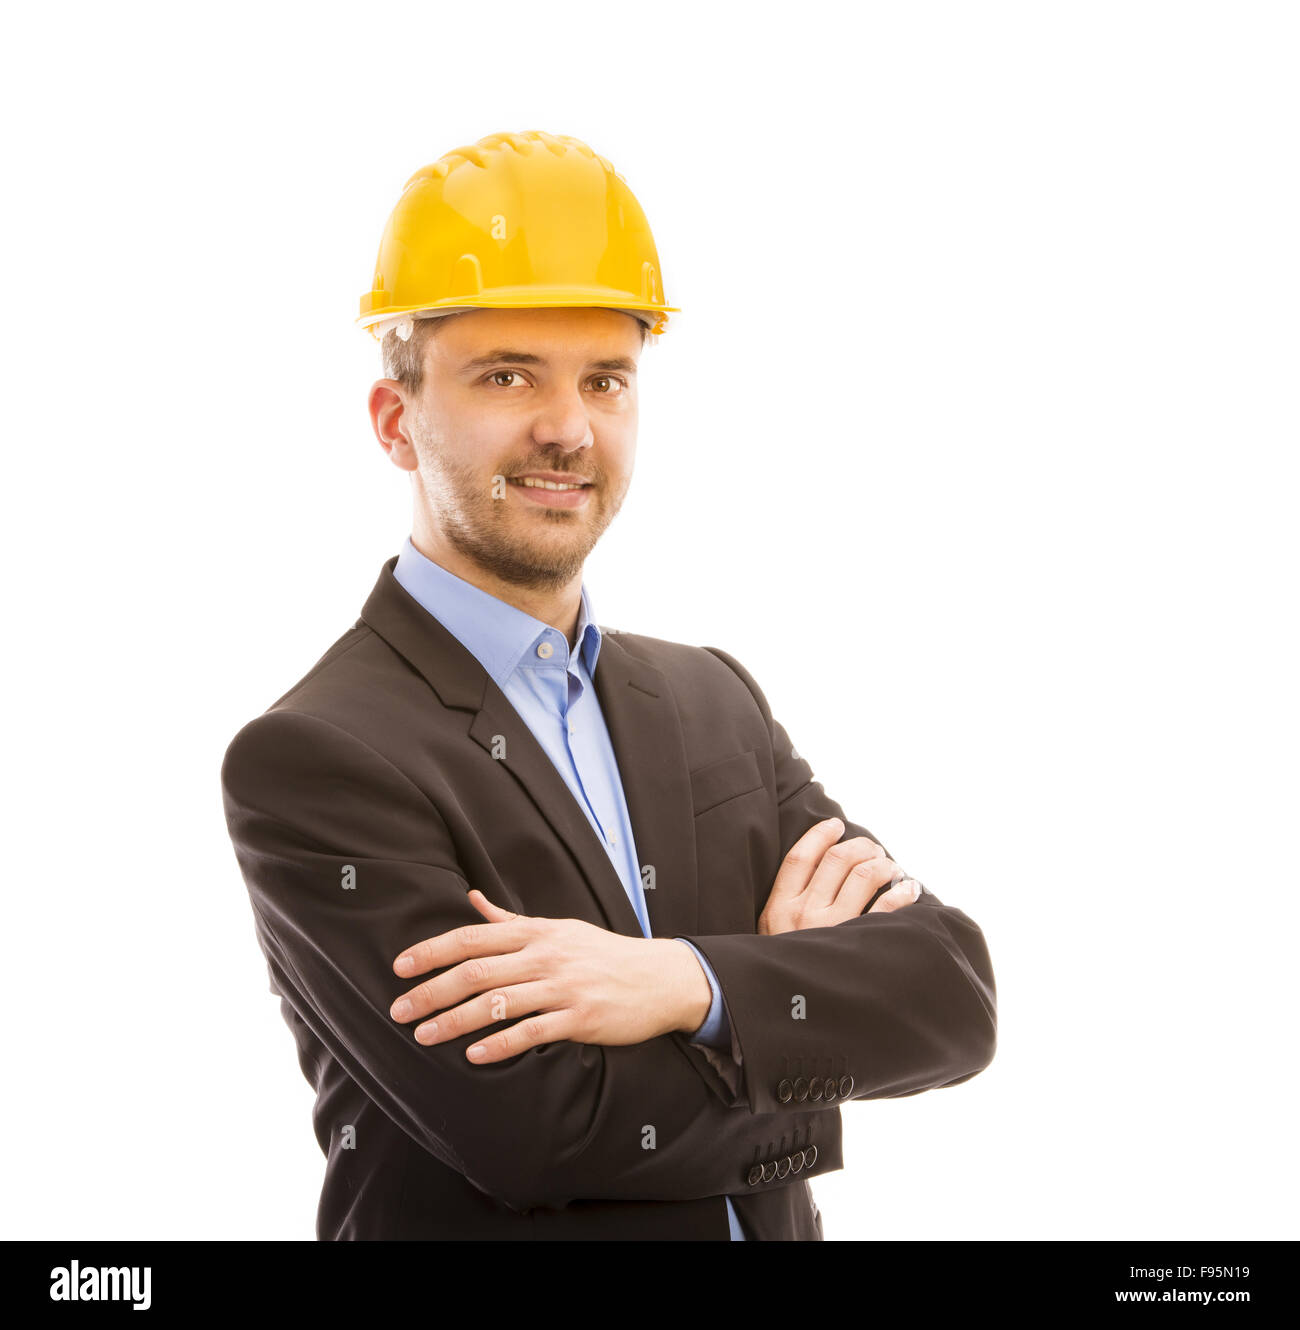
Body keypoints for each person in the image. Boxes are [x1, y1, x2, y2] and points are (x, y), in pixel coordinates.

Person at [220, 129, 997, 1241]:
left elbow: (951, 997)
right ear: (397, 421)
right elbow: (538, 1130)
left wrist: (686, 982)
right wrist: (792, 1013)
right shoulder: (318, 756)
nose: (567, 427)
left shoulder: (711, 701)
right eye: (505, 375)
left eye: (605, 380)